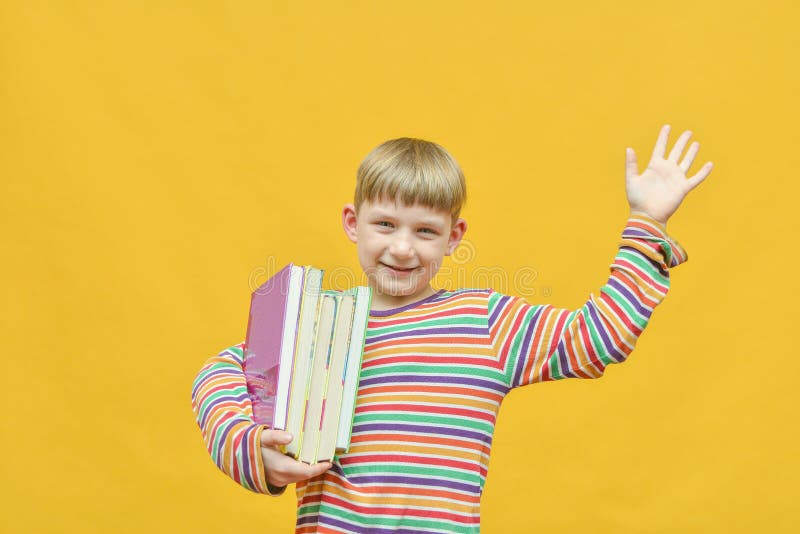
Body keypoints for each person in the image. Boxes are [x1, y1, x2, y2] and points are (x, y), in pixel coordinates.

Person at [191, 125, 713, 533]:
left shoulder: (485, 322)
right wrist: (248, 445)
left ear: (454, 237)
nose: (402, 248)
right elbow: (216, 375)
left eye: (425, 231)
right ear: (353, 223)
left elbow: (600, 337)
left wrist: (647, 222)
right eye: (385, 225)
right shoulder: (317, 325)